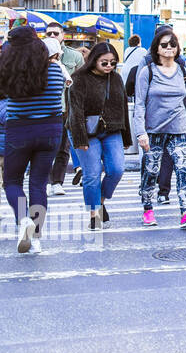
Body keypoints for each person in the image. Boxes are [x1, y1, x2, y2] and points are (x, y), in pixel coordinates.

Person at [1, 26, 65, 254]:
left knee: (12, 182)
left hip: (19, 130)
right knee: (39, 184)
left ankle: (23, 220)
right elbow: (57, 97)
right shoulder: (56, 71)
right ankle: (36, 238)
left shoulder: (7, 72)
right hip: (51, 130)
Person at [133, 28, 186, 229]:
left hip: (179, 129)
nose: (169, 48)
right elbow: (139, 103)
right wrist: (140, 132)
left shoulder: (182, 70)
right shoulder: (148, 71)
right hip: (153, 130)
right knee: (151, 171)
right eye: (164, 45)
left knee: (183, 168)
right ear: (157, 48)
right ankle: (147, 209)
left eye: (173, 44)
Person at [68, 42, 130, 231]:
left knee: (117, 170)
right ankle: (94, 214)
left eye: (113, 62)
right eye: (104, 63)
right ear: (94, 60)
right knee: (92, 175)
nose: (109, 66)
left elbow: (124, 108)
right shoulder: (79, 78)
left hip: (112, 130)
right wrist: (80, 139)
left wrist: (127, 138)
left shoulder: (117, 79)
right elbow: (75, 111)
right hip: (86, 131)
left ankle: (101, 201)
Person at [43, 22, 81, 197]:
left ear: (62, 35)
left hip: (67, 108)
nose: (52, 36)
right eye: (48, 33)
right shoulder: (38, 56)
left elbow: (81, 83)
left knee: (63, 147)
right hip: (44, 108)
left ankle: (57, 181)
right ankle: (45, 180)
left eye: (55, 33)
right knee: (44, 146)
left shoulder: (74, 56)